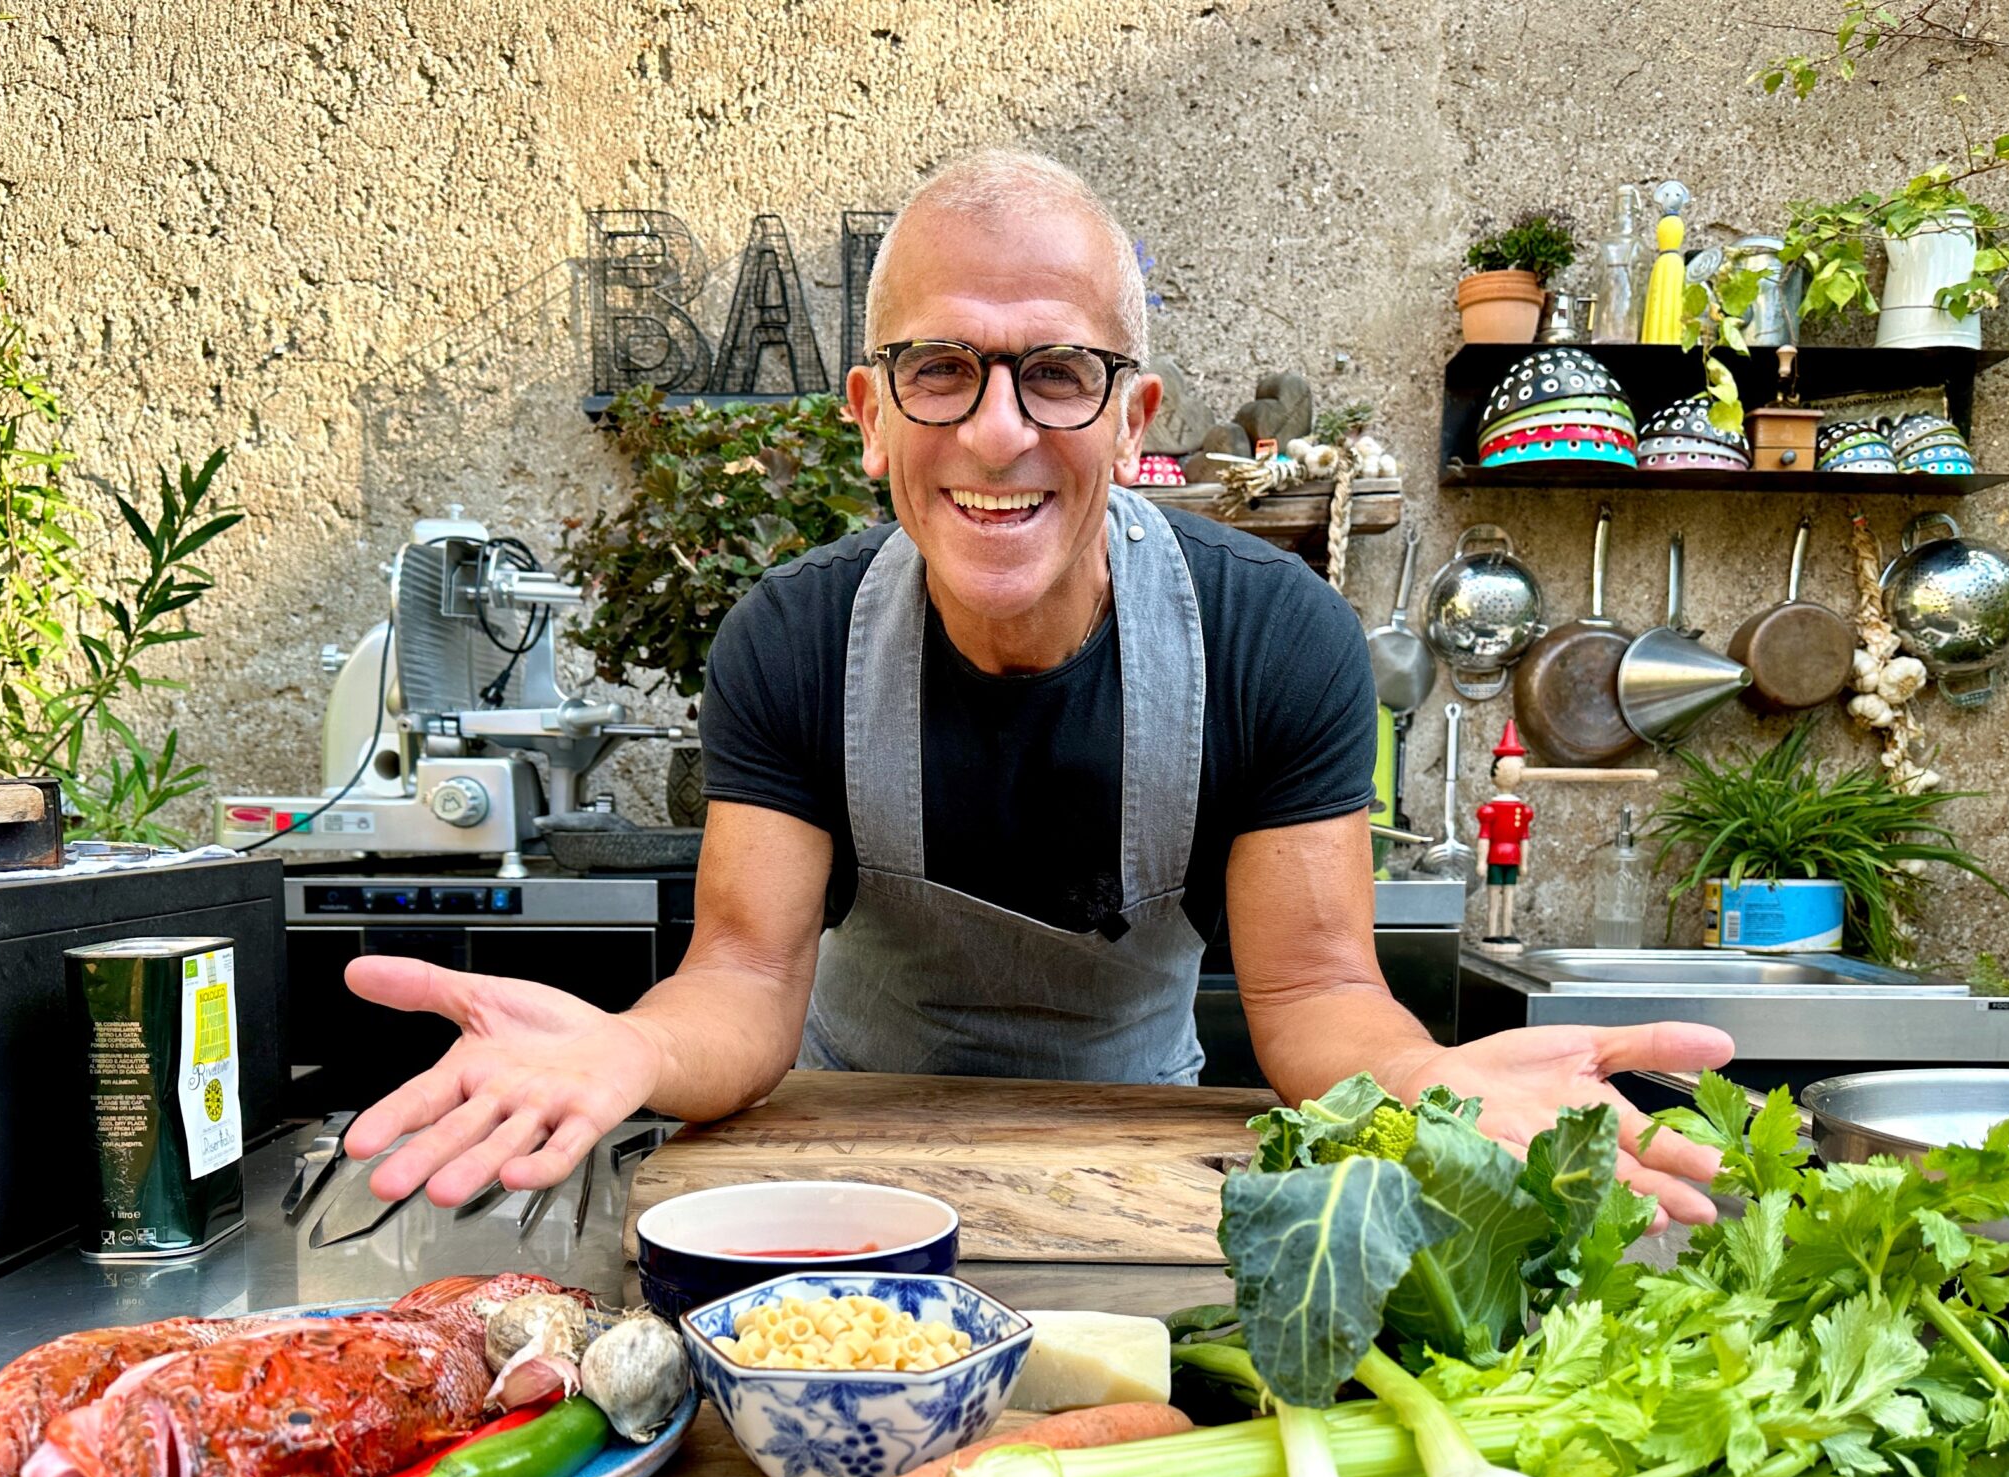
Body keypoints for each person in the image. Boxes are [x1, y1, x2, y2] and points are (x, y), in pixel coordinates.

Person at [340, 149, 1732, 1224]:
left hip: (1141, 1174)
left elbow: (1315, 994)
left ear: (1131, 421)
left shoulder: (1275, 639)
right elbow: (745, 977)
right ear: (870, 416)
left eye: (1058, 372)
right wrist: (632, 1054)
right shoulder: (791, 640)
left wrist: (1429, 1079)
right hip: (837, 1169)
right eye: (941, 369)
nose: (998, 433)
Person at [1476, 719, 1534, 950]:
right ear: (1497, 771)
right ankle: (1492, 932)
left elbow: (1525, 838)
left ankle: (1506, 932)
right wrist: (1481, 861)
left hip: (1512, 857)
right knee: (1494, 896)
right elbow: (1484, 837)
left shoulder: (1523, 810)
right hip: (1495, 857)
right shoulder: (1490, 810)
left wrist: (1524, 862)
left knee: (1509, 896)